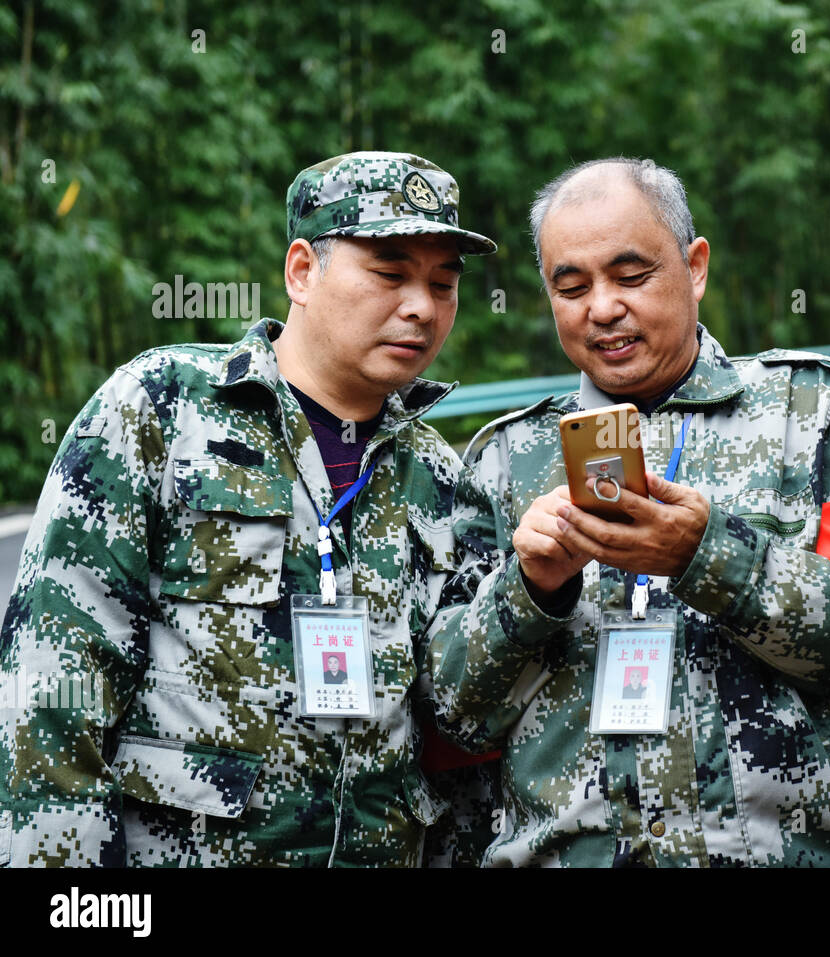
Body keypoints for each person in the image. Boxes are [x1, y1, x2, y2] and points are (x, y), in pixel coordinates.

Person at [0, 151, 496, 867]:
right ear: (302, 271)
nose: (421, 305)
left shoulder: (440, 477)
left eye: (443, 283)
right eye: (390, 274)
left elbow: (458, 730)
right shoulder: (163, 410)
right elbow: (53, 684)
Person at [425, 157, 830, 867]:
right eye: (572, 285)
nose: (603, 307)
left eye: (631, 275)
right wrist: (529, 589)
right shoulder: (504, 458)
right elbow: (453, 716)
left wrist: (705, 553)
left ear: (695, 266)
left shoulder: (810, 408)